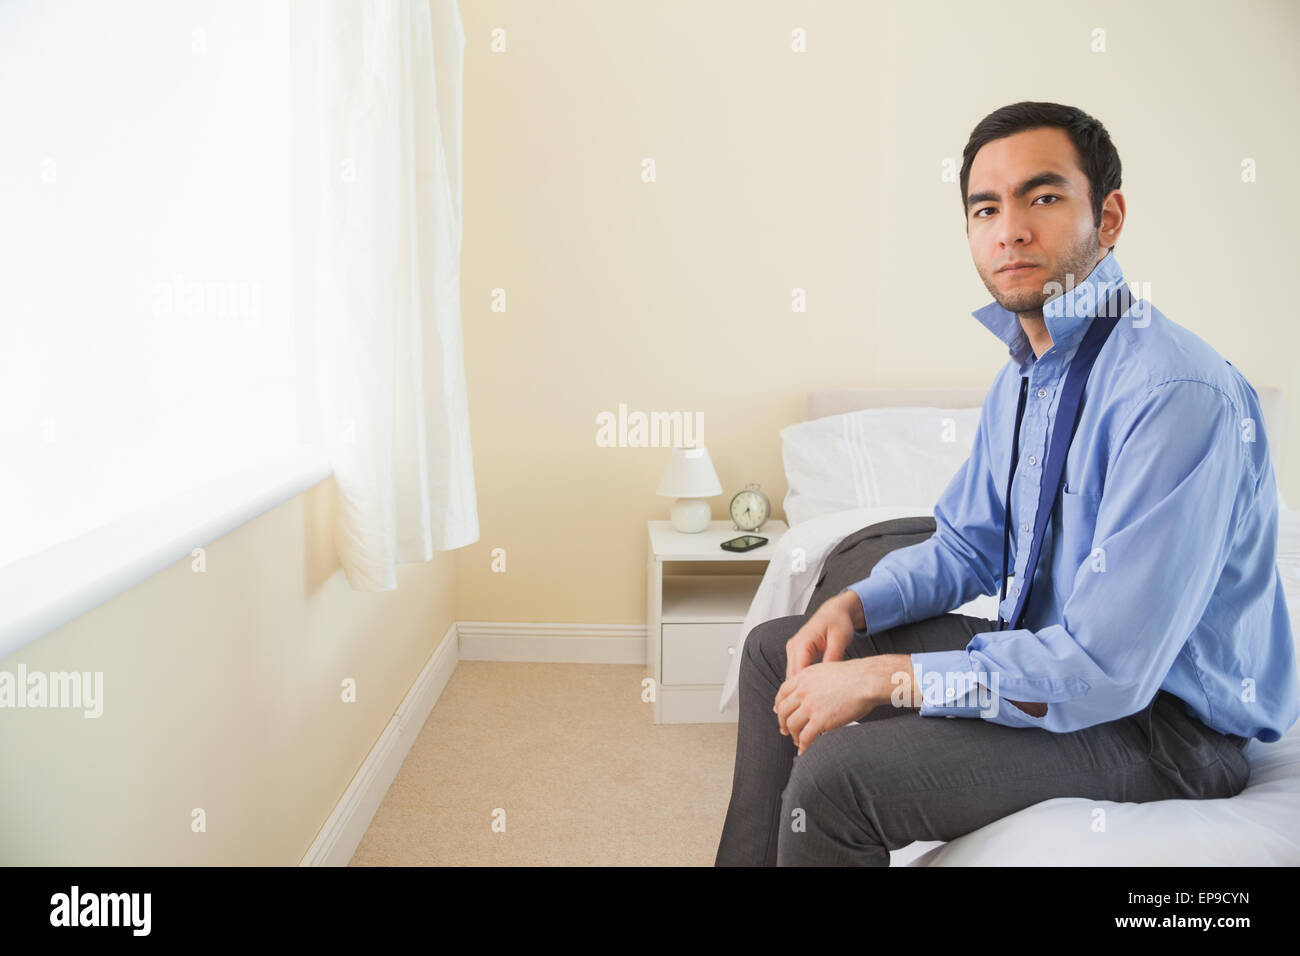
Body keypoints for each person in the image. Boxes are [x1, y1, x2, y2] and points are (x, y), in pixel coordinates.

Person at [715, 101, 1299, 867]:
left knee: (836, 780)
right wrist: (852, 605)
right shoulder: (1027, 376)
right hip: (1047, 655)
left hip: (1161, 725)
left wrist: (890, 678)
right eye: (986, 207)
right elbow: (966, 544)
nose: (1010, 229)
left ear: (1110, 216)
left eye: (1044, 197)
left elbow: (1107, 670)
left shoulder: (1174, 394)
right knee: (775, 651)